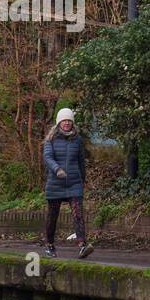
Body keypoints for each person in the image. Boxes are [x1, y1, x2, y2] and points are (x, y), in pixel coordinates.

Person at [42, 107, 92, 259]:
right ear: (59, 122)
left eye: (69, 120)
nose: (67, 123)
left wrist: (82, 180)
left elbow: (81, 161)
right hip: (55, 183)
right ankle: (50, 246)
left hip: (73, 183)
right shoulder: (50, 140)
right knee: (52, 216)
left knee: (78, 215)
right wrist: (57, 170)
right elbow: (48, 157)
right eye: (64, 120)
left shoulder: (77, 139)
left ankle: (82, 245)